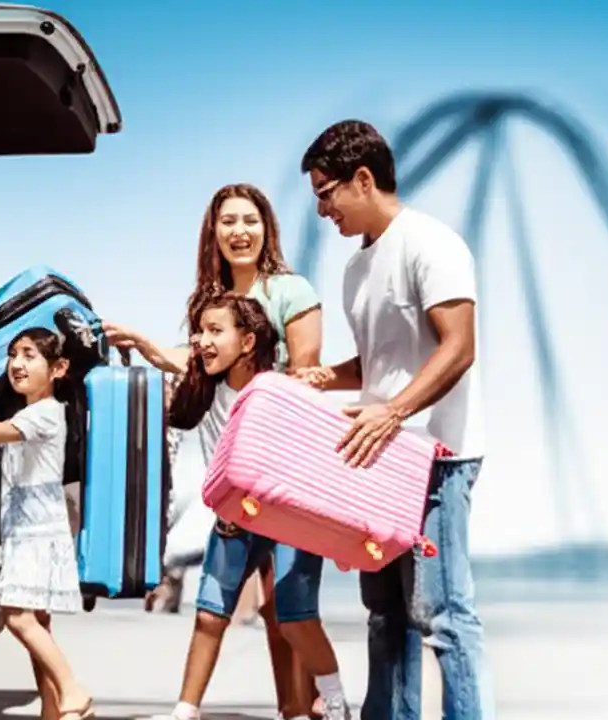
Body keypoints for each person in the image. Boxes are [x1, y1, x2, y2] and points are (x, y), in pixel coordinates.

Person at [104, 183, 326, 720]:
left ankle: (299, 707)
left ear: (266, 227)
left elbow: (304, 376)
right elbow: (199, 361)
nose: (239, 231)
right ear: (214, 231)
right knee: (238, 604)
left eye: (250, 220)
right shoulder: (210, 301)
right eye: (228, 221)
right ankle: (278, 707)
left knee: (285, 607)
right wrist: (148, 347)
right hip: (233, 484)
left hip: (283, 476)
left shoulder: (291, 291)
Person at [296, 119, 493, 720]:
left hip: (438, 457)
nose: (323, 209)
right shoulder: (357, 268)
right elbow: (382, 360)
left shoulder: (431, 243)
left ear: (363, 178)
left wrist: (396, 412)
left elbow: (458, 347)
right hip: (378, 460)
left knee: (443, 614)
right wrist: (328, 377)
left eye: (327, 193)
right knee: (384, 613)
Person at [153, 293, 351, 720]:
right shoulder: (202, 391)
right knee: (209, 614)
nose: (200, 340)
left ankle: (331, 701)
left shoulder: (280, 389)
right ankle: (185, 711)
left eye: (214, 330)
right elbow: (163, 366)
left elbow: (316, 445)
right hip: (233, 521)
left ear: (247, 342)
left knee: (295, 617)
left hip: (289, 520)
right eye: (199, 330)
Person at [0, 328, 94, 720]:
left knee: (17, 615)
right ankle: (54, 709)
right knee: (38, 623)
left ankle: (72, 690)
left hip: (35, 530)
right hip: (29, 528)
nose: (16, 364)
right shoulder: (30, 414)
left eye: (29, 355)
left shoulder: (45, 413)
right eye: (13, 355)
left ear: (58, 368)